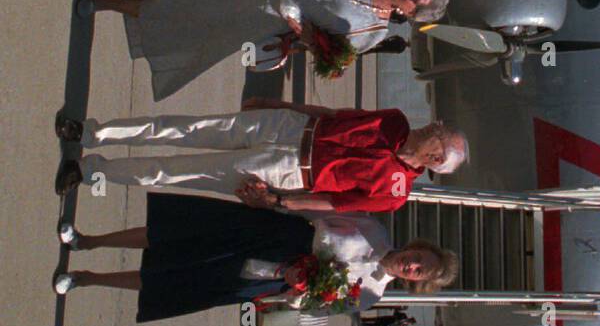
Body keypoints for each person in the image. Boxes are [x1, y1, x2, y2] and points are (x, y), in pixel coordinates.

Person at [73, 0, 449, 99]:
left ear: (411, 13)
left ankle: (105, 4)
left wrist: (297, 28)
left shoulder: (372, 35)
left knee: (185, 13)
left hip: (261, 16)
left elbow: (321, 51)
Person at [52, 198, 458, 318]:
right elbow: (320, 213)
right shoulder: (375, 228)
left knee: (175, 279)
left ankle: (87, 279)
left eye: (420, 272)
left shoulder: (369, 295)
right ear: (416, 246)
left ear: (412, 280)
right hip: (275, 235)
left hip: (273, 279)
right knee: (176, 236)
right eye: (421, 257)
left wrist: (297, 291)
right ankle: (88, 240)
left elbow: (316, 307)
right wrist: (279, 203)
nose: (414, 264)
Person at [54, 99, 469, 209]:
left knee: (179, 173)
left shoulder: (394, 192)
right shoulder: (394, 121)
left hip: (289, 170)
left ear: (435, 160)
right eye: (436, 125)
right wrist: (282, 104)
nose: (430, 126)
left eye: (437, 133)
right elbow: (336, 115)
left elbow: (334, 202)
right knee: (187, 127)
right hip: (292, 128)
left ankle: (92, 172)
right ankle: (94, 132)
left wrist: (277, 200)